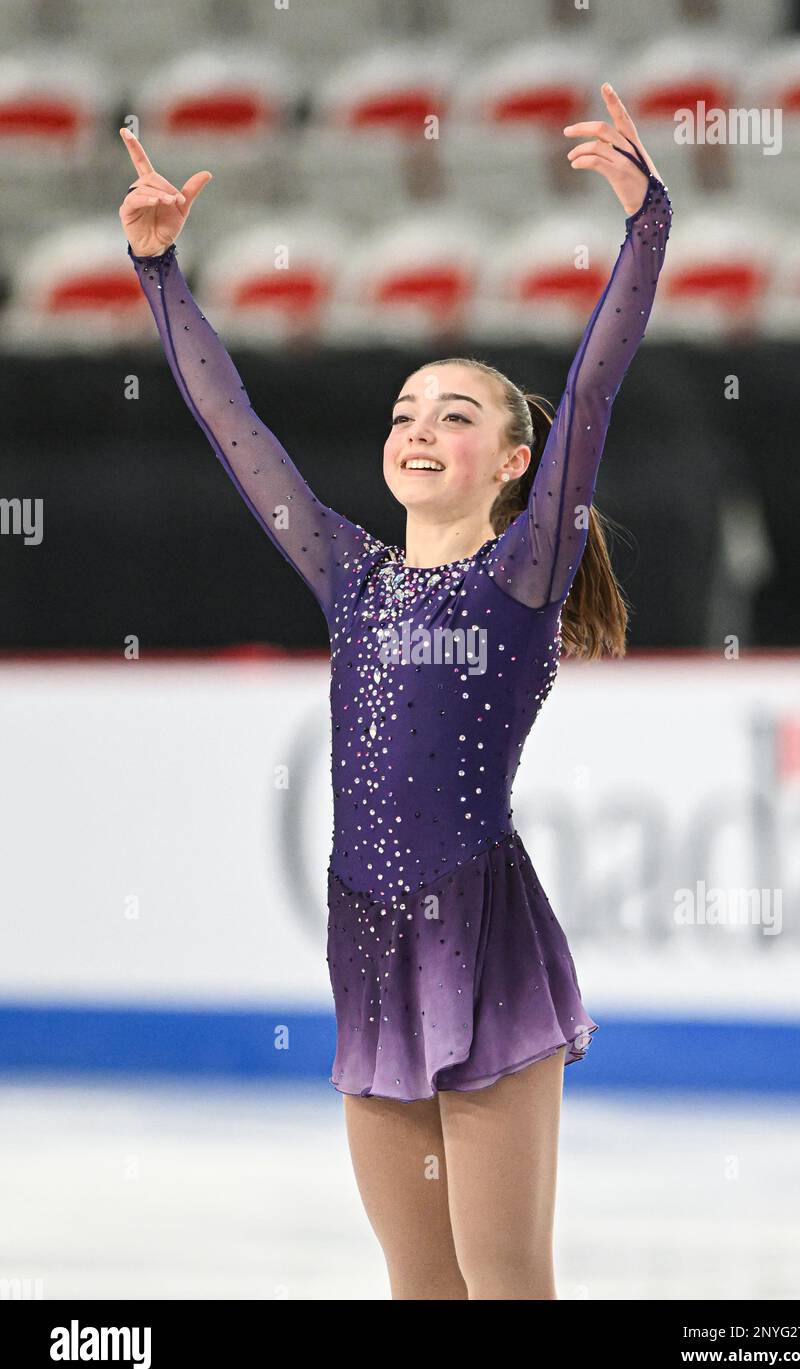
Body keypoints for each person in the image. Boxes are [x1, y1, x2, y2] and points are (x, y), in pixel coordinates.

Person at [119, 81, 672, 1300]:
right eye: (404, 410)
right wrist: (159, 273)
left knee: (502, 1281)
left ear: (512, 460)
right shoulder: (348, 579)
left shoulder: (523, 575)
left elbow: (587, 396)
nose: (419, 428)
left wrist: (644, 231)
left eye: (455, 413)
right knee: (419, 1288)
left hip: (480, 944)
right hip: (365, 945)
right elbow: (232, 423)